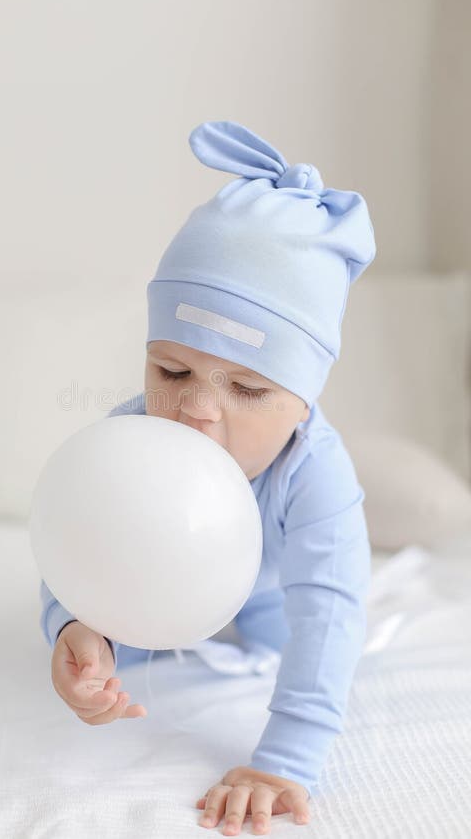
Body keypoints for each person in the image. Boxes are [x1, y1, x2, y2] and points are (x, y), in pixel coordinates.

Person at [39, 120, 376, 834]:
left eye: (247, 390)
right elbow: (83, 545)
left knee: (278, 633)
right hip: (171, 578)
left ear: (304, 399)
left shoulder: (315, 473)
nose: (195, 408)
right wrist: (77, 628)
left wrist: (285, 761)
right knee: (134, 616)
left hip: (265, 587)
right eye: (172, 370)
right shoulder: (132, 437)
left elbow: (329, 616)